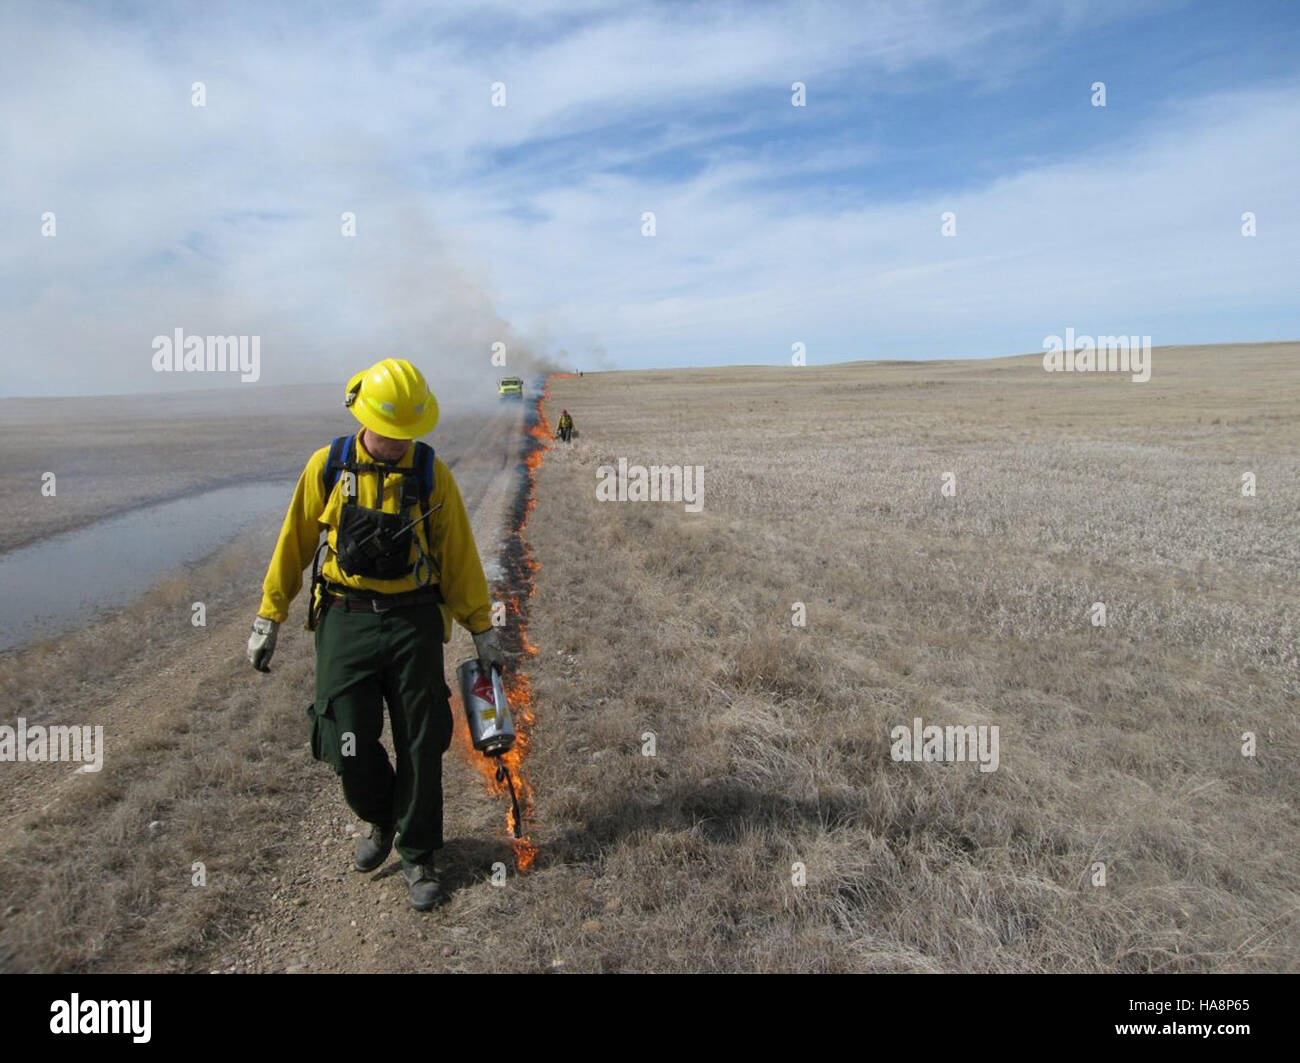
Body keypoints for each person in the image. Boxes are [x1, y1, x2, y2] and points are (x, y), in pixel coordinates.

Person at [246, 358, 507, 911]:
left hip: (414, 621)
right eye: (390, 431)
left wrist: (481, 627)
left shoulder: (431, 473)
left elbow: (458, 557)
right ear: (363, 417)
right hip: (346, 618)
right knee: (346, 736)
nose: (398, 442)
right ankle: (381, 818)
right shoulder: (328, 466)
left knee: (422, 738)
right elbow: (293, 543)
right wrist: (269, 617)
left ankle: (417, 853)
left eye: (409, 433)